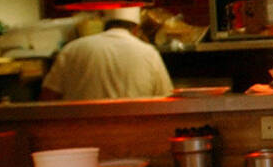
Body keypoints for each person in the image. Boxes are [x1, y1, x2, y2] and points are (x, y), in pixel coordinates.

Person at [41, 6, 174, 100]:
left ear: (104, 24)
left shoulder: (72, 49)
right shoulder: (149, 53)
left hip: (78, 134)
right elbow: (167, 99)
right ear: (136, 28)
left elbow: (48, 98)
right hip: (133, 133)